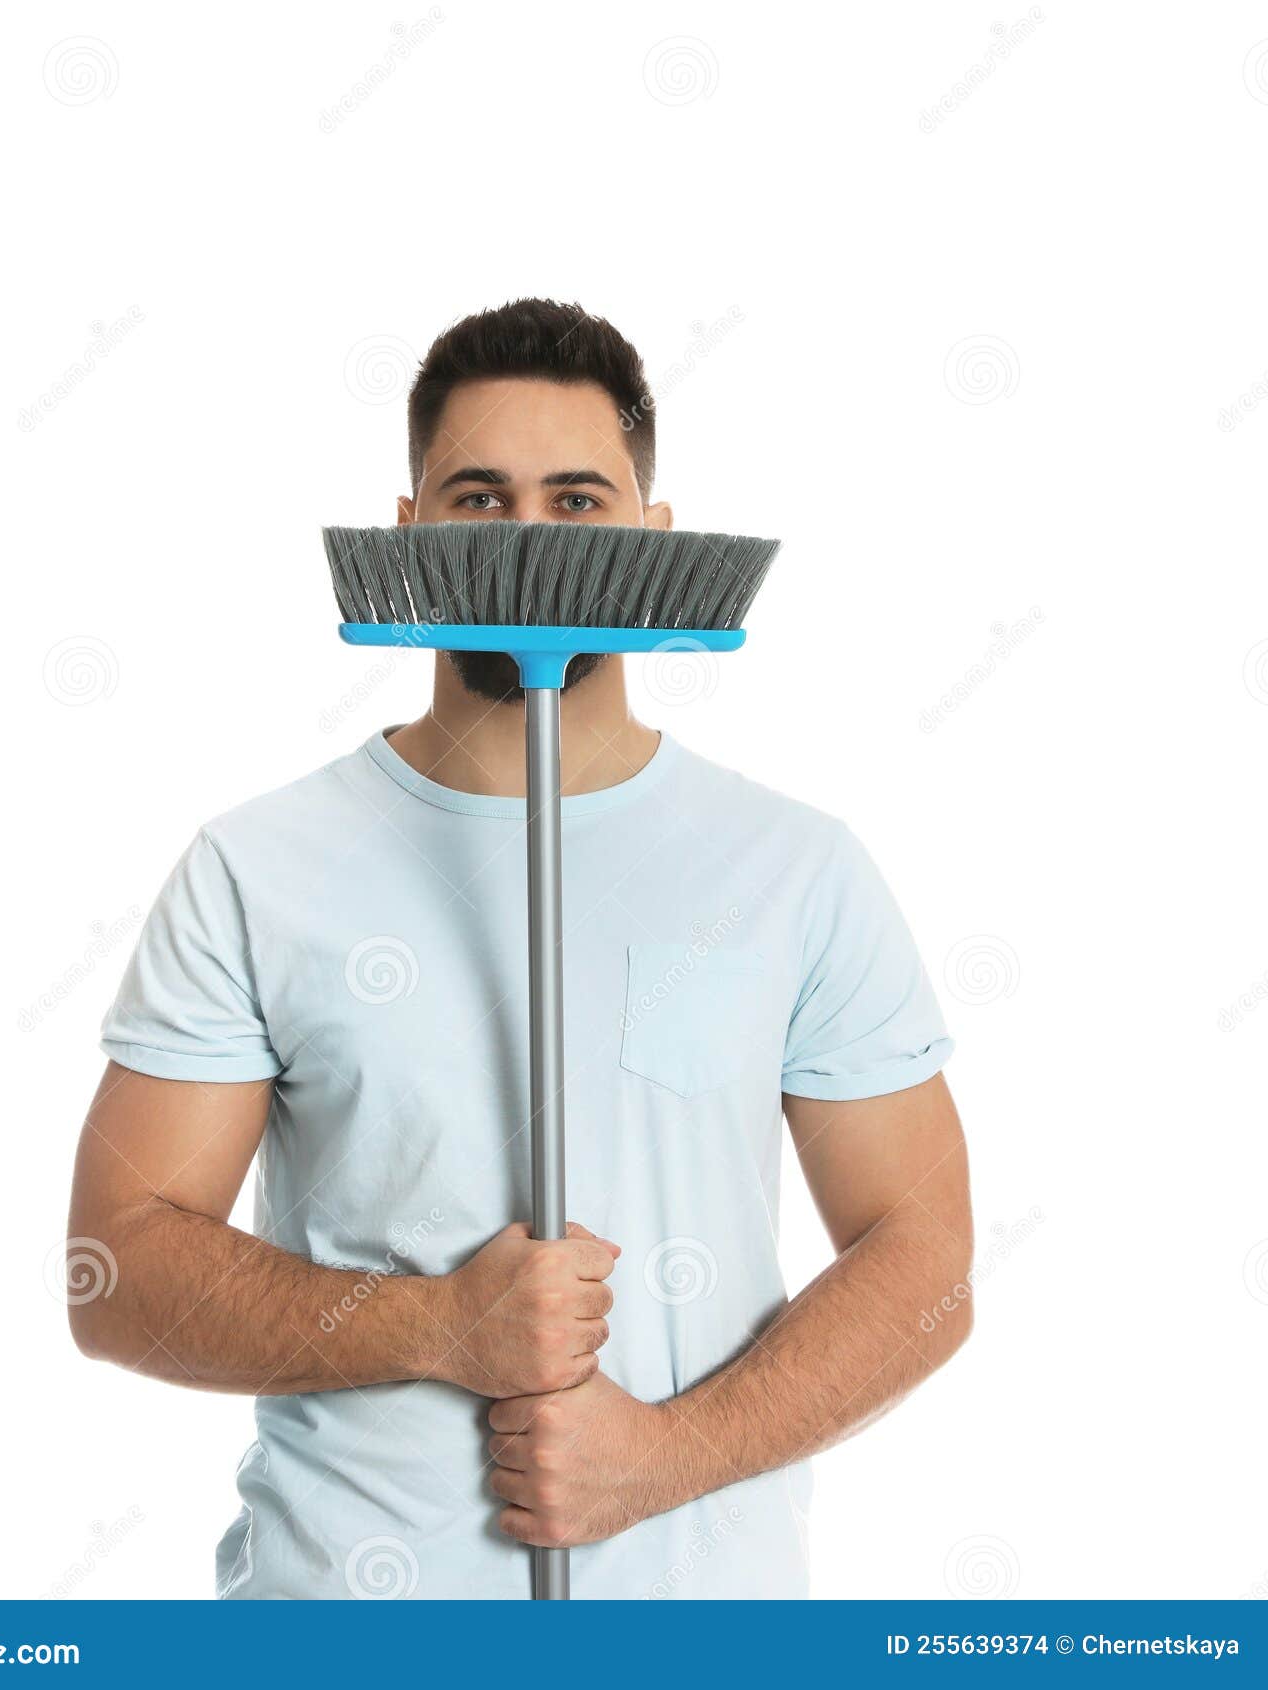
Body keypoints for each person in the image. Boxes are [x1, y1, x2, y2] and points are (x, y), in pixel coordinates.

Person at [66, 298, 974, 1600]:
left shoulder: (794, 868)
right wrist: (441, 1324)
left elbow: (924, 1255)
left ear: (654, 537)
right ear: (410, 532)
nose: (529, 536)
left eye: (578, 500)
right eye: (480, 497)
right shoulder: (258, 867)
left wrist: (661, 1458)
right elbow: (118, 1269)